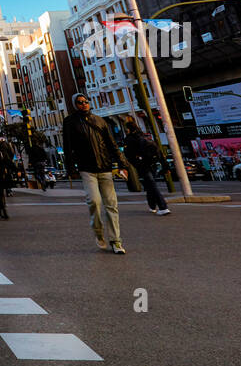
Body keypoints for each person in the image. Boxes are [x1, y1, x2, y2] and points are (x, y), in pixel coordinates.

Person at [62, 93, 128, 253]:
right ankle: (99, 233)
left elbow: (112, 143)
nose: (84, 104)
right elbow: (67, 146)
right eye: (80, 102)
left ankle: (116, 241)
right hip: (87, 169)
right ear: (75, 105)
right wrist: (70, 168)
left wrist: (122, 163)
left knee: (111, 205)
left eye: (86, 101)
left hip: (105, 167)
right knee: (94, 202)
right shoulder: (70, 122)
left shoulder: (100, 120)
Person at [123, 116, 170, 215]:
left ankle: (163, 207)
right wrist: (165, 165)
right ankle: (152, 206)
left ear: (128, 129)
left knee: (152, 185)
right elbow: (158, 151)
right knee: (149, 184)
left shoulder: (130, 139)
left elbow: (128, 154)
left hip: (143, 164)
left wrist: (135, 163)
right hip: (153, 163)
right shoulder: (145, 136)